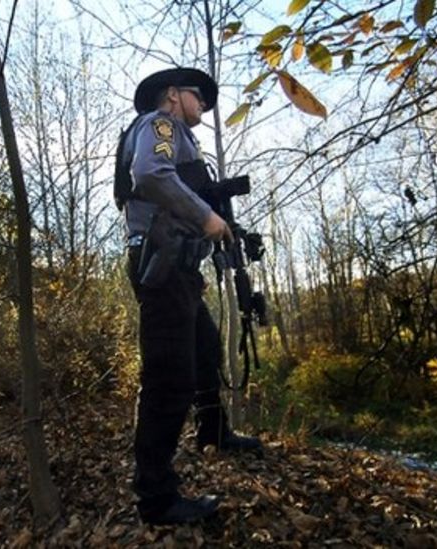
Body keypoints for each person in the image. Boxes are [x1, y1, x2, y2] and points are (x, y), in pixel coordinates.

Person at [115, 67, 262, 526]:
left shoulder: (179, 135)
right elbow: (149, 174)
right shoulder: (161, 124)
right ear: (174, 95)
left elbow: (175, 186)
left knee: (205, 347)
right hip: (162, 266)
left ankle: (213, 432)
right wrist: (206, 218)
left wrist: (219, 223)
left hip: (178, 266)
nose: (204, 105)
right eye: (199, 96)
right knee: (169, 378)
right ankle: (156, 498)